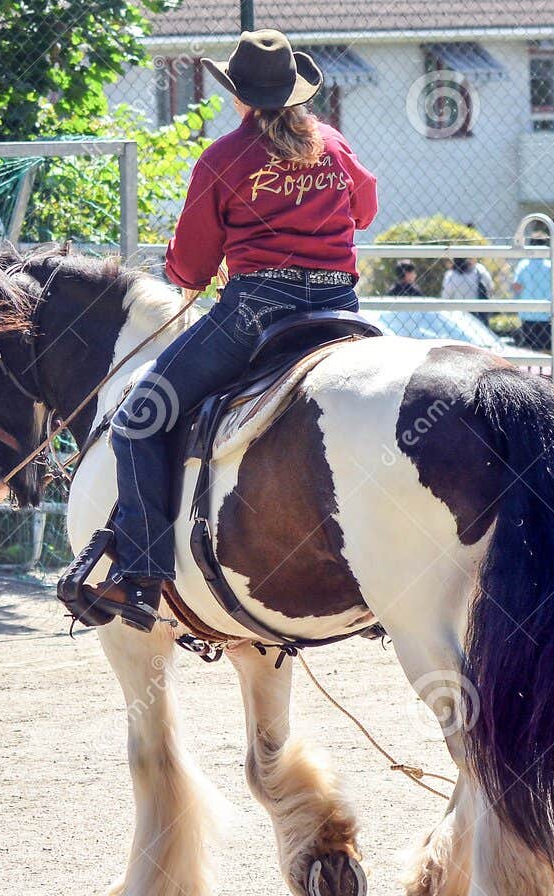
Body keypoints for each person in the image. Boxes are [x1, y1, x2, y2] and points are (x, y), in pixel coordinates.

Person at [94, 30, 377, 628]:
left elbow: (191, 267)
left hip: (256, 313)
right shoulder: (331, 143)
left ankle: (142, 578)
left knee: (138, 420)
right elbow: (366, 209)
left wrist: (182, 270)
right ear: (295, 92)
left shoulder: (223, 158)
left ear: (238, 95)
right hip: (340, 310)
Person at [511, 237, 552, 350]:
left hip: (528, 312)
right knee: (546, 349)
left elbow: (516, 286)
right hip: (547, 312)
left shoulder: (523, 264)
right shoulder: (551, 266)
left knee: (529, 349)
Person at [442, 256, 493, 326]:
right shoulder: (479, 270)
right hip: (478, 310)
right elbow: (490, 288)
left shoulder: (450, 274)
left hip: (458, 313)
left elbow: (446, 296)